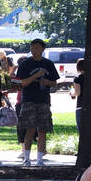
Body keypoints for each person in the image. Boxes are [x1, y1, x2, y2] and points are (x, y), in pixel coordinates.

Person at [13, 38, 60, 167]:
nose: (34, 50)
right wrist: (36, 75)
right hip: (28, 100)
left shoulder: (48, 64)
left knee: (42, 130)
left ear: (43, 49)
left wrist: (47, 82)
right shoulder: (25, 64)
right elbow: (21, 83)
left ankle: (40, 159)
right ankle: (26, 158)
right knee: (29, 129)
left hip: (43, 101)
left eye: (37, 47)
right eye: (32, 47)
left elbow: (55, 82)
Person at [71, 58, 86, 135]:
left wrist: (72, 94)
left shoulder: (78, 79)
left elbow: (77, 93)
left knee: (82, 130)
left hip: (81, 106)